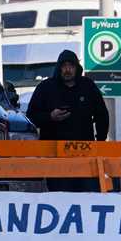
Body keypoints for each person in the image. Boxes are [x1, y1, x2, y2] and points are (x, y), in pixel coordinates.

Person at [27, 49, 109, 191]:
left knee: (88, 195)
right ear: (59, 68)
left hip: (84, 155)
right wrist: (50, 117)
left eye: (71, 66)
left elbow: (102, 115)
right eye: (64, 66)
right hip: (55, 156)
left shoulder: (88, 86)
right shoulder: (46, 88)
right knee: (60, 196)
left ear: (77, 68)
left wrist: (99, 143)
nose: (67, 70)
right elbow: (31, 116)